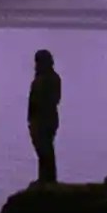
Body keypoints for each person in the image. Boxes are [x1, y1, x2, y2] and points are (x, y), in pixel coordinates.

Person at [28, 49, 62, 184]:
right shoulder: (54, 78)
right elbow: (56, 99)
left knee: (44, 150)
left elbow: (37, 102)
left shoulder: (41, 80)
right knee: (46, 150)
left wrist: (33, 120)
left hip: (42, 121)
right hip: (49, 120)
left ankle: (46, 179)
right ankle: (47, 178)